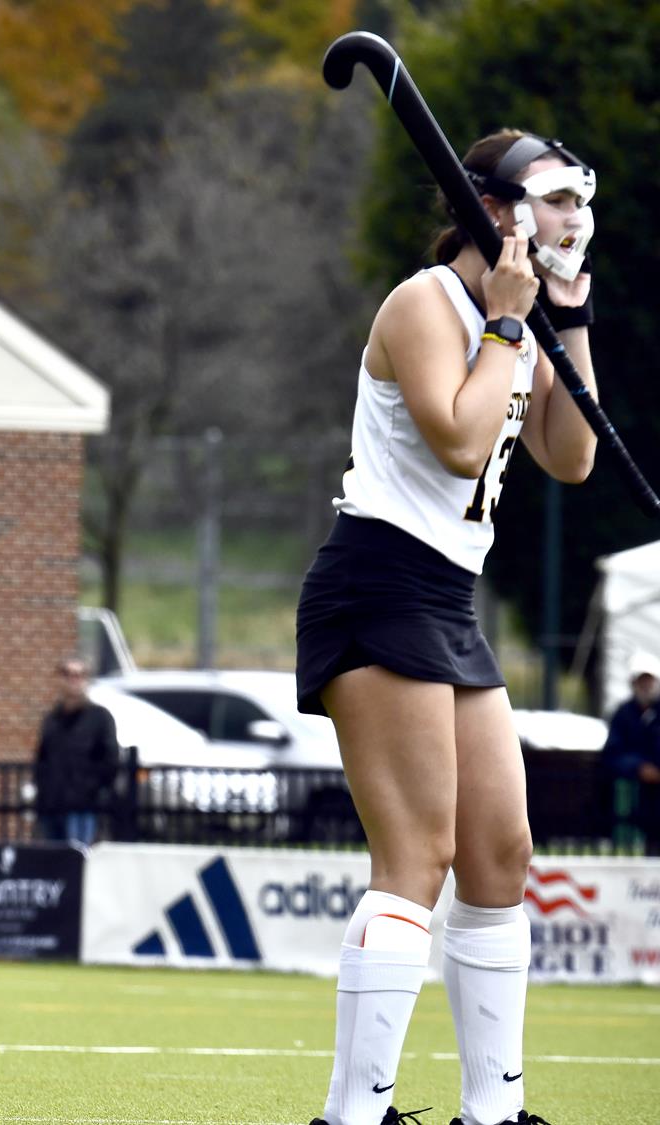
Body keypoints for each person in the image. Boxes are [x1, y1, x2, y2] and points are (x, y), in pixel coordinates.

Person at [293, 130, 600, 1125]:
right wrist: (508, 328)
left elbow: (570, 456)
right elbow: (463, 442)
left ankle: (492, 1112)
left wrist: (566, 316)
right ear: (493, 209)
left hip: (442, 599)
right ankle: (352, 1115)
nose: (570, 218)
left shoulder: (524, 317)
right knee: (415, 859)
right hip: (377, 582)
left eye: (577, 200)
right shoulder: (425, 303)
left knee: (498, 855)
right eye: (551, 199)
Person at [32, 658, 119, 847]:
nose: (73, 680)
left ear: (86, 680)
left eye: (78, 675)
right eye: (67, 674)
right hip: (52, 805)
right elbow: (42, 759)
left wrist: (92, 789)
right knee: (52, 863)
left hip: (83, 806)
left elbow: (110, 760)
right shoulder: (52, 719)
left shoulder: (99, 717)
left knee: (77, 859)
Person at [603, 652, 660, 856]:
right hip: (635, 797)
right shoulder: (624, 714)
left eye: (649, 680)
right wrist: (639, 768)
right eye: (641, 680)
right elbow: (612, 754)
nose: (646, 685)